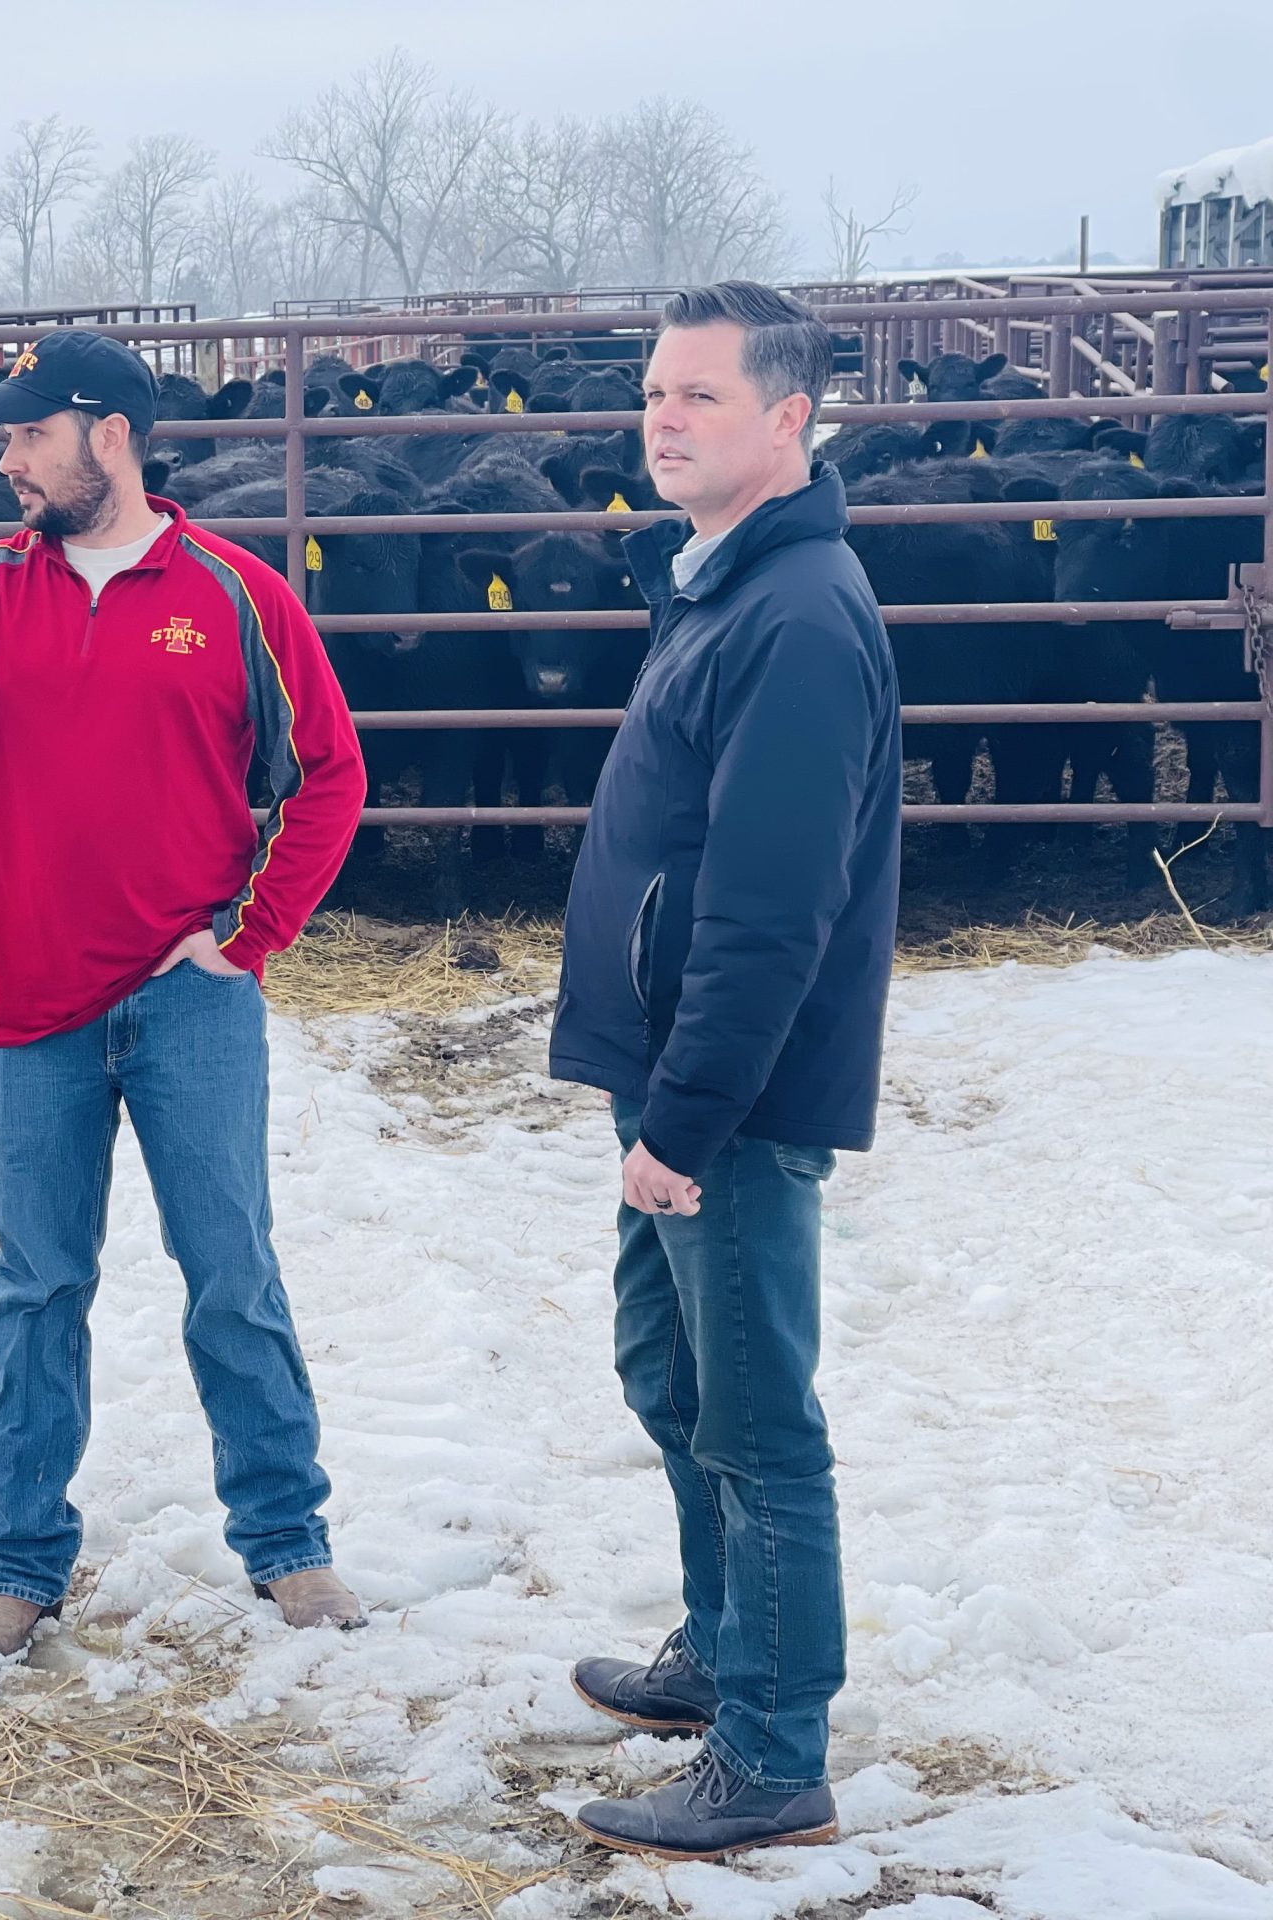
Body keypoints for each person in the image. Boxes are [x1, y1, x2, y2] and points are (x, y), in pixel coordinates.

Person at [0, 329, 370, 1668]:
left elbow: (329, 775)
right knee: (38, 1285)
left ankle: (288, 1542)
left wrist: (248, 936)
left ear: (107, 435)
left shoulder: (235, 593)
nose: (7, 462)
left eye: (28, 434)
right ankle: (17, 1565)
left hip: (190, 1003)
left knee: (231, 1271)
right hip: (28, 1000)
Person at [549, 282, 902, 1858]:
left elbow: (769, 912)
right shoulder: (723, 582)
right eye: (654, 393)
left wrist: (688, 1117)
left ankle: (771, 1754)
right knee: (673, 1378)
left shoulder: (797, 617)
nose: (664, 419)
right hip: (677, 1068)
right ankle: (719, 1653)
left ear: (790, 418)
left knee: (758, 1422)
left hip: (730, 1099)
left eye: (701, 395)